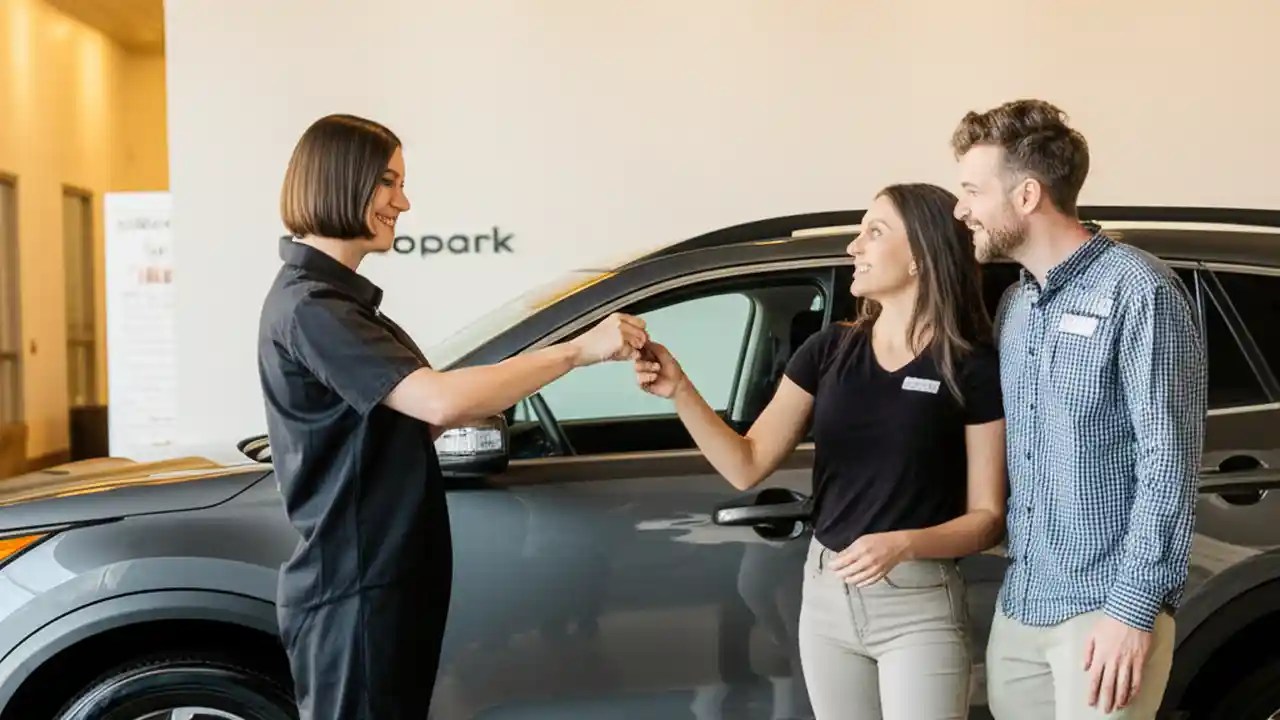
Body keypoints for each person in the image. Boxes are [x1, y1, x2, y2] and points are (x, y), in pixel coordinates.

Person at [257, 113, 649, 720]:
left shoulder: (335, 304)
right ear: (342, 181)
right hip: (356, 591)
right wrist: (576, 350)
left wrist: (490, 392)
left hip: (377, 586)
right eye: (389, 183)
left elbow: (422, 420)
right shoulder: (314, 308)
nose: (403, 202)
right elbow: (440, 401)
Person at [635, 183, 1008, 720]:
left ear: (922, 259)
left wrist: (903, 544)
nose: (854, 247)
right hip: (827, 599)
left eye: (873, 233)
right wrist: (680, 391)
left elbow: (987, 519)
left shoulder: (970, 370)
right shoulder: (828, 349)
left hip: (918, 605)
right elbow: (746, 464)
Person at [950, 99, 1208, 719]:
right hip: (1024, 604)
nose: (962, 210)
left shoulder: (1140, 290)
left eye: (972, 191)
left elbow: (1168, 465)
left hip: (1106, 607)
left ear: (1028, 196)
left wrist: (1133, 609)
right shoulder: (1015, 307)